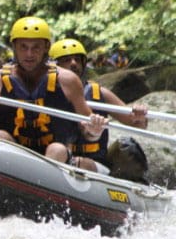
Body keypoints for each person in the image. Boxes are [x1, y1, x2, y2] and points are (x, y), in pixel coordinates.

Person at [0, 17, 107, 164]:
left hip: (56, 158)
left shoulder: (67, 80)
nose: (29, 54)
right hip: (15, 156)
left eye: (36, 47)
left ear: (46, 47)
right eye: (23, 47)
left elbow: (87, 133)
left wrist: (95, 131)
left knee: (56, 149)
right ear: (14, 47)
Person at [49, 37, 148, 174]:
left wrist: (139, 116)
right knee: (57, 152)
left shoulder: (98, 92)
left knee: (79, 162)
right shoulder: (45, 92)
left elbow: (136, 123)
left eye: (77, 59)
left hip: (94, 162)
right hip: (56, 154)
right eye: (66, 60)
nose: (73, 64)